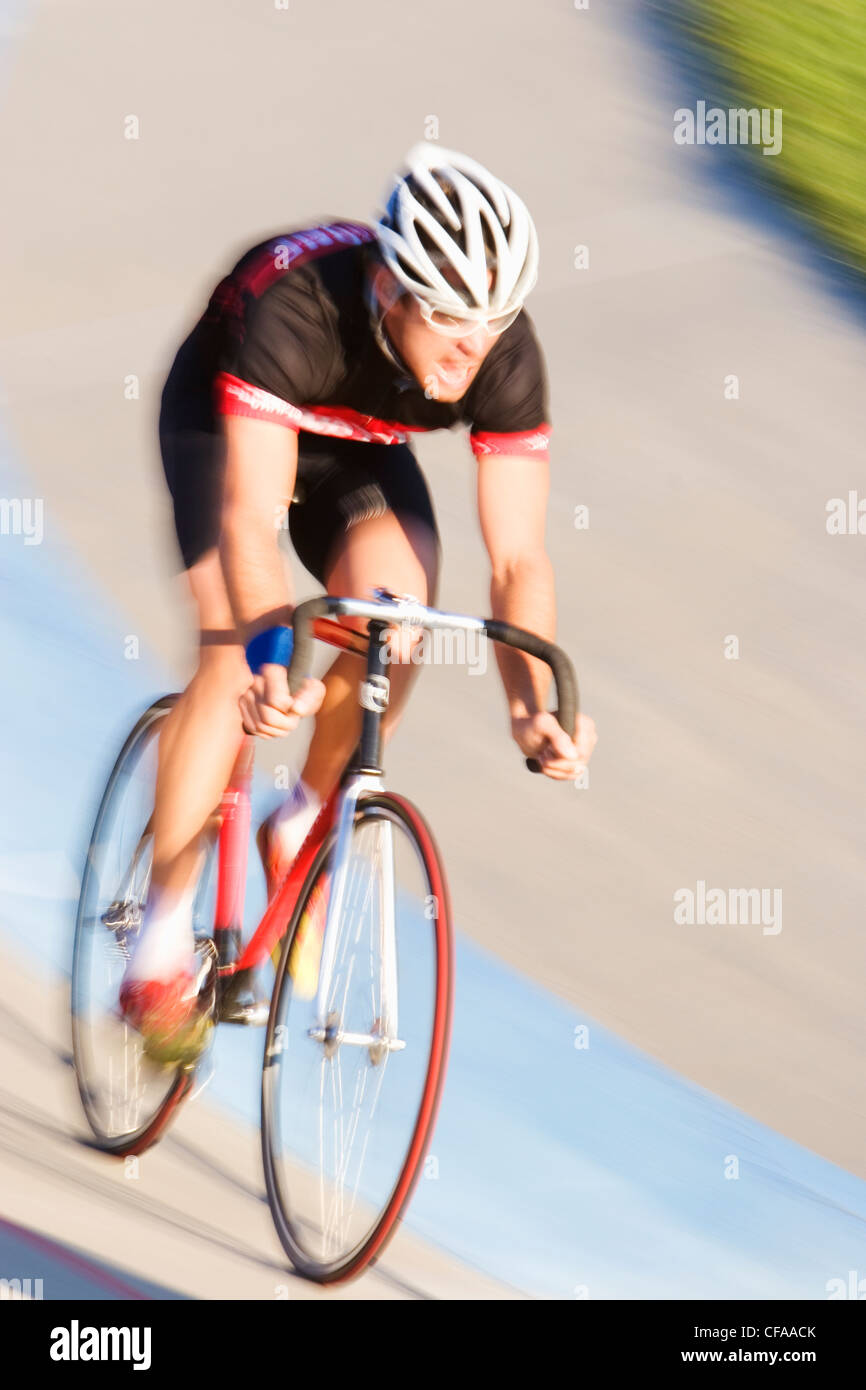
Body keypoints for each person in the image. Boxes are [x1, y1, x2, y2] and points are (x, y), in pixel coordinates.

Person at [119, 142, 597, 1060]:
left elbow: (518, 561)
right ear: (388, 291)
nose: (475, 344)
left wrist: (531, 705)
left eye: (492, 321)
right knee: (230, 663)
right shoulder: (296, 311)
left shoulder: (503, 355)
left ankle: (302, 811)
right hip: (232, 429)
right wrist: (269, 661)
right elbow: (252, 527)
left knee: (399, 616)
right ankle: (161, 938)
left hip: (356, 447)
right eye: (453, 317)